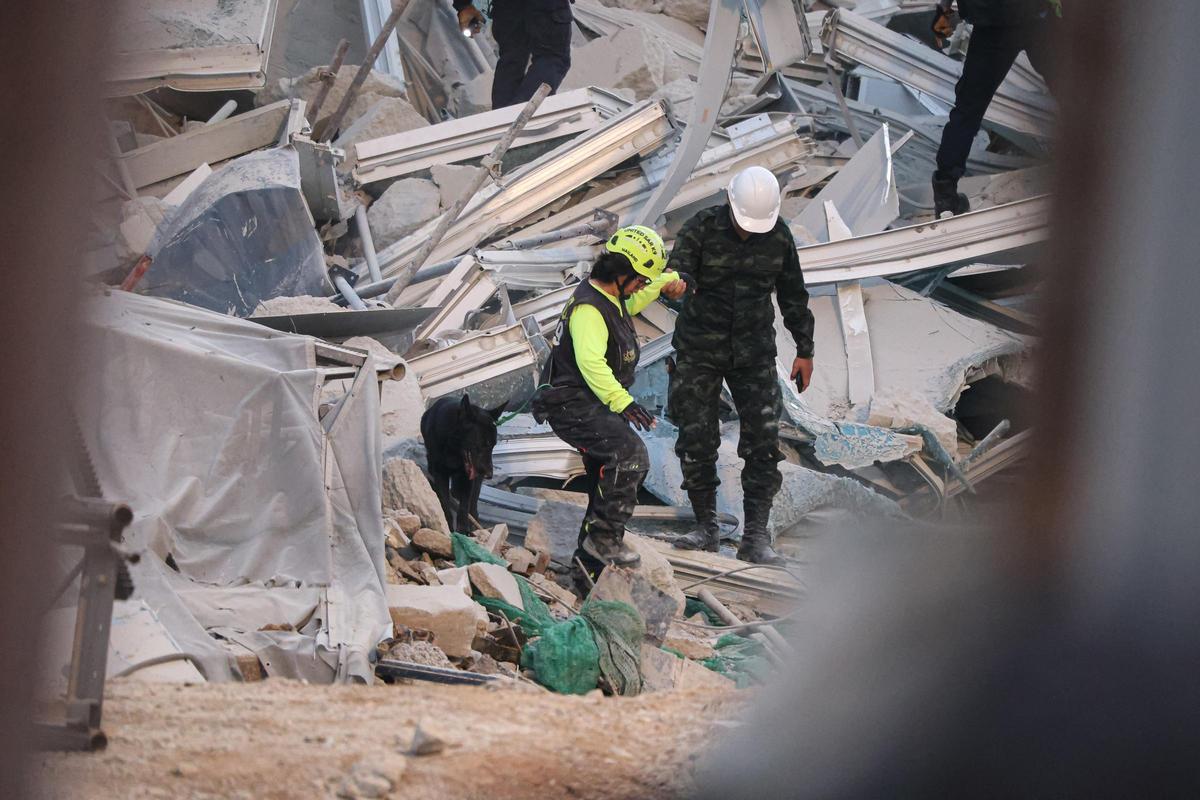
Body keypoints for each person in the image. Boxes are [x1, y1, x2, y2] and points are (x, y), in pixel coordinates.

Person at [668, 166, 814, 565]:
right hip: (700, 348)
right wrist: (678, 283)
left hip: (754, 352)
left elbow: (794, 295)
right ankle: (706, 527)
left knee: (764, 442)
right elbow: (680, 270)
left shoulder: (779, 236)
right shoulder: (701, 227)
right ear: (730, 204)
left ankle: (755, 538)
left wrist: (805, 349)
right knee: (697, 438)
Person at [532, 226, 686, 571]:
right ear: (622, 272)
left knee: (605, 476)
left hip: (591, 401)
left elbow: (634, 301)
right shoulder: (589, 310)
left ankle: (587, 565)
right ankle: (603, 539)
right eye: (640, 279)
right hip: (571, 404)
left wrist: (667, 280)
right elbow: (591, 364)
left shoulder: (611, 295)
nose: (642, 286)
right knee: (630, 456)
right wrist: (623, 403)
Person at [932, 0, 1058, 218]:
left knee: (967, 110)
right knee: (1073, 94)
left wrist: (943, 10)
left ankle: (946, 194)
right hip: (1034, 16)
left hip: (992, 23)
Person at [454, 0, 574, 110]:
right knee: (552, 57)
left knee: (512, 59)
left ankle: (502, 116)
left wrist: (463, 6)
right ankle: (522, 113)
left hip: (507, 7)